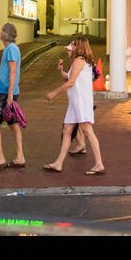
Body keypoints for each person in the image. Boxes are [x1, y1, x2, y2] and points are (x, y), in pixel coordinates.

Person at [44, 36, 106, 175]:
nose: (69, 48)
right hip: (76, 102)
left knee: (88, 131)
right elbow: (68, 77)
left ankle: (99, 164)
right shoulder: (79, 61)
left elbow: (71, 82)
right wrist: (61, 71)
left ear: (78, 48)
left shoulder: (79, 61)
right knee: (67, 130)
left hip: (80, 102)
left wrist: (54, 92)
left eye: (72, 45)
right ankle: (58, 163)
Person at [0, 23, 26, 170]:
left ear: (5, 34)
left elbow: (13, 71)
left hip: (5, 94)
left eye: (1, 30)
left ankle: (0, 157)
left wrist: (9, 95)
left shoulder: (10, 49)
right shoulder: (12, 49)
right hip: (8, 93)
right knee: (13, 124)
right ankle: (20, 157)